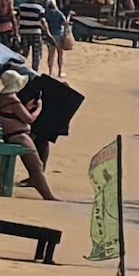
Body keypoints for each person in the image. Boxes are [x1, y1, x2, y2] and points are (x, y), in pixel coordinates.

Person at [13, 58, 87, 202]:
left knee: (41, 141)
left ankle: (38, 174)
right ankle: (38, 174)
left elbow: (29, 103)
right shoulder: (31, 80)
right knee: (41, 142)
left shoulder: (30, 83)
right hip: (47, 109)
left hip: (47, 112)